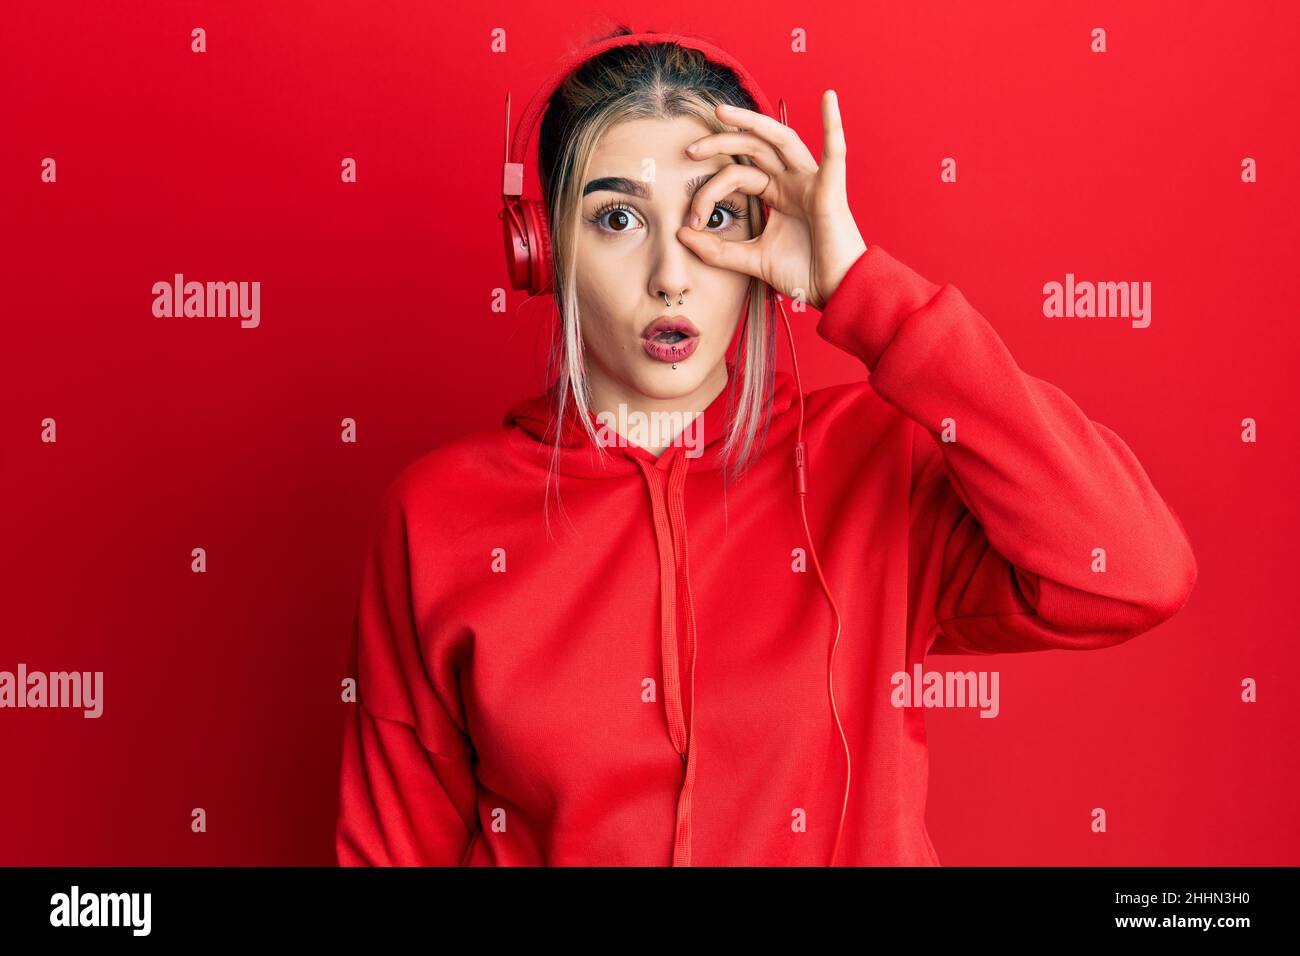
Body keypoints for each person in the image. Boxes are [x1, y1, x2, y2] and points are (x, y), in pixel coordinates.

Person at [334, 27, 1197, 867]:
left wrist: (860, 287)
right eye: (618, 218)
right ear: (540, 249)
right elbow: (394, 847)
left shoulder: (873, 459)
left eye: (716, 215)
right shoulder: (439, 517)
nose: (671, 275)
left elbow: (1133, 573)